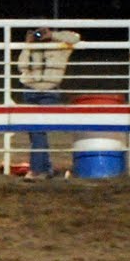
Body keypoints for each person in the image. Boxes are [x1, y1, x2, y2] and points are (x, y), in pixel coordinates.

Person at [15, 25, 78, 180]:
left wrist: (52, 35)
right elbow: (21, 66)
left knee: (38, 131)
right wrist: (28, 45)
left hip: (48, 91)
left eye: (42, 30)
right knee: (36, 132)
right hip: (30, 91)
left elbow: (75, 38)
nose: (39, 34)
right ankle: (45, 168)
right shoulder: (32, 47)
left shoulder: (61, 45)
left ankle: (37, 170)